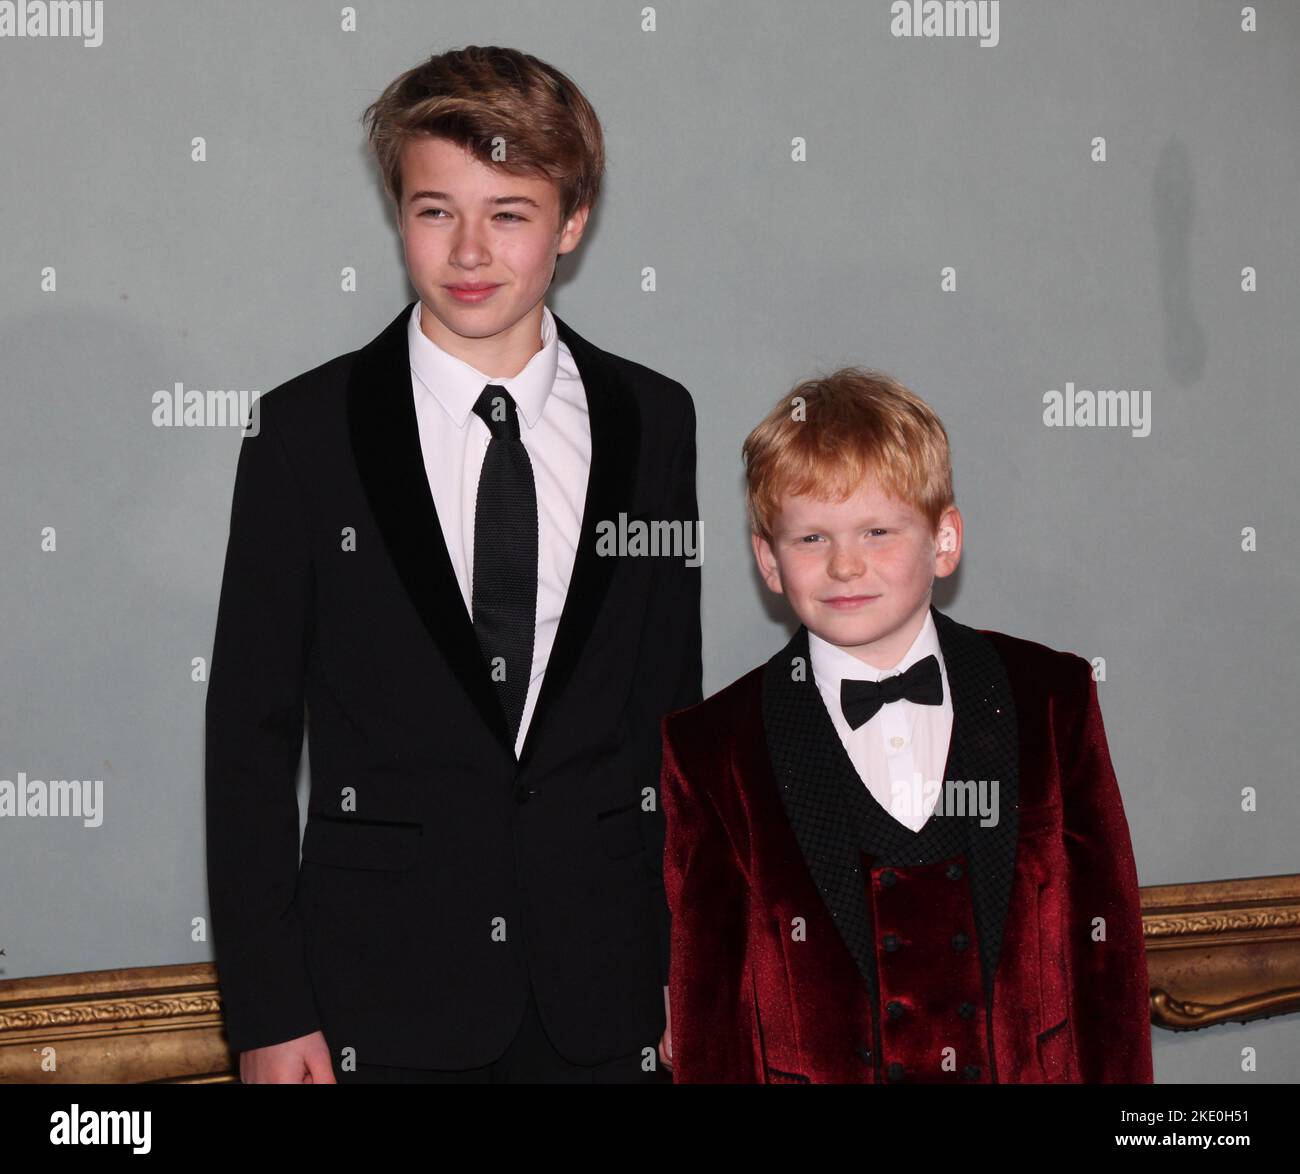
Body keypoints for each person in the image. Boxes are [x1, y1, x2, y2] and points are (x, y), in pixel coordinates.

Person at [205, 45, 700, 1084]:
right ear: (398, 216)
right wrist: (266, 1008)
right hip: (374, 1000)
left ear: (571, 221)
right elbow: (249, 737)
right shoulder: (306, 432)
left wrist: (681, 964)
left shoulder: (654, 420)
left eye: (509, 213)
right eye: (436, 211)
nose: (469, 250)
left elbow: (667, 713)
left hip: (604, 991)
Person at [660, 368, 1152, 1083]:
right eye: (810, 539)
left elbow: (1109, 965)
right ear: (768, 560)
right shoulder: (712, 749)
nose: (845, 565)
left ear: (945, 540)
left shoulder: (1051, 697)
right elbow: (709, 1022)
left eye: (878, 530)